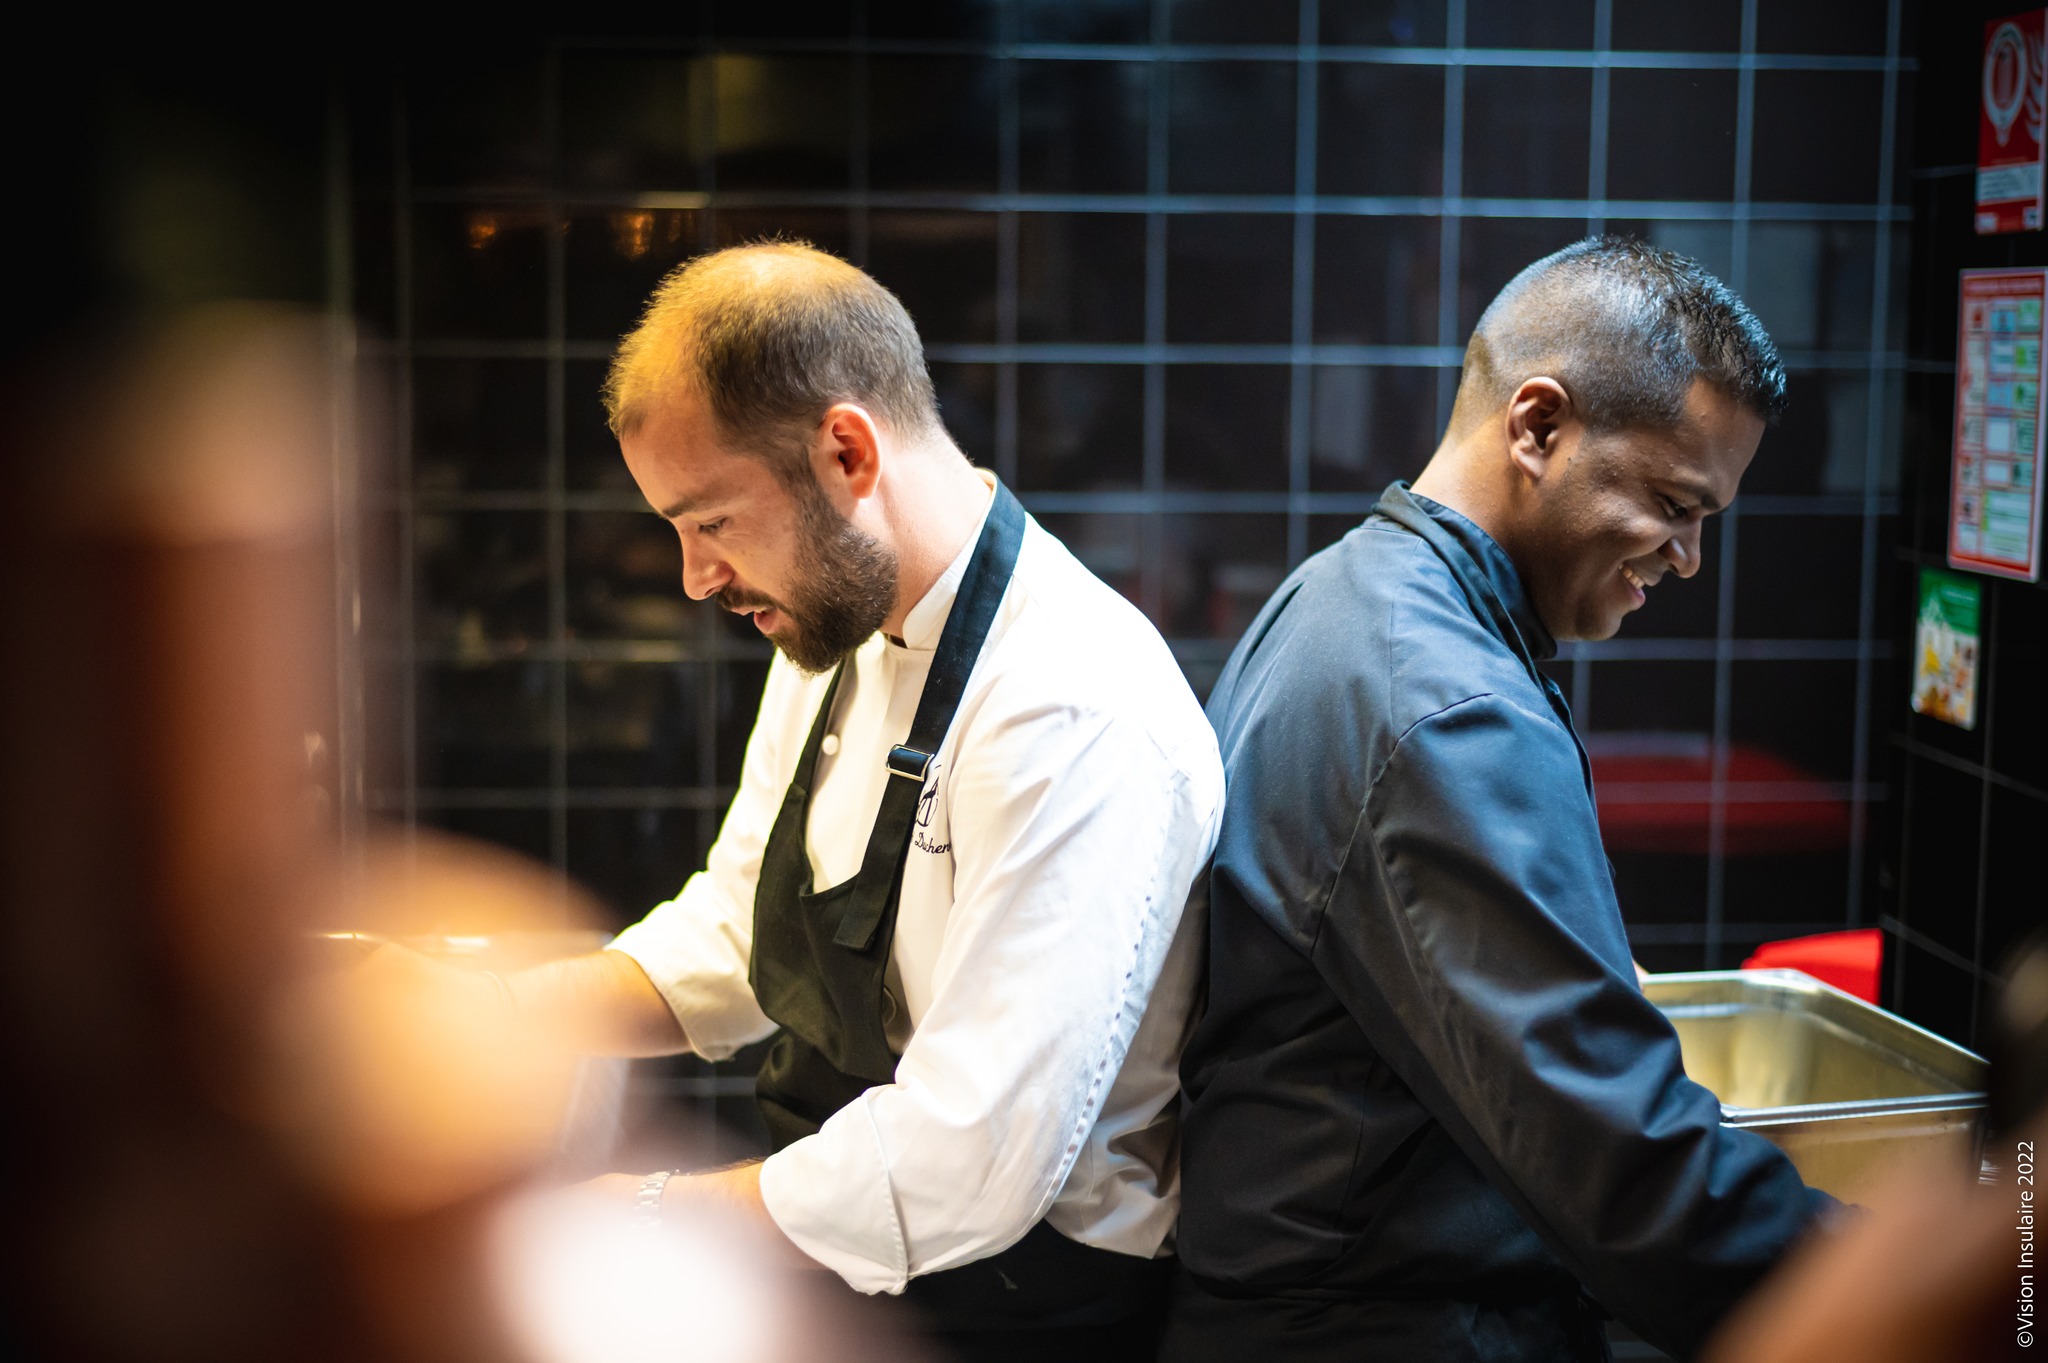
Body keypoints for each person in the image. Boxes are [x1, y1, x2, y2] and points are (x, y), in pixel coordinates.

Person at [478, 242, 1223, 1361]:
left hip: (1014, 1309)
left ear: (844, 451)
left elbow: (967, 1155)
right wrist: (492, 1012)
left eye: (711, 521)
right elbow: (739, 931)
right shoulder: (833, 625)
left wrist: (639, 1214)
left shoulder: (1070, 706)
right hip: (854, 1277)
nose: (692, 577)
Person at [1157, 238, 1835, 1363]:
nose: (1688, 557)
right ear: (1535, 426)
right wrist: (1951, 1289)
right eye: (1673, 501)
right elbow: (1627, 1174)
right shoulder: (1444, 706)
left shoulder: (1337, 596)